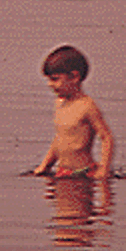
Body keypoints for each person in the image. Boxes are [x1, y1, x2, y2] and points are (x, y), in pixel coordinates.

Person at [26, 45, 114, 180]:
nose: (50, 84)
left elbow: (106, 137)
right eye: (49, 80)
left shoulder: (87, 106)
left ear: (74, 77)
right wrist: (45, 166)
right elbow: (60, 139)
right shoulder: (59, 103)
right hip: (63, 172)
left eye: (55, 79)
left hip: (83, 172)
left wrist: (104, 170)